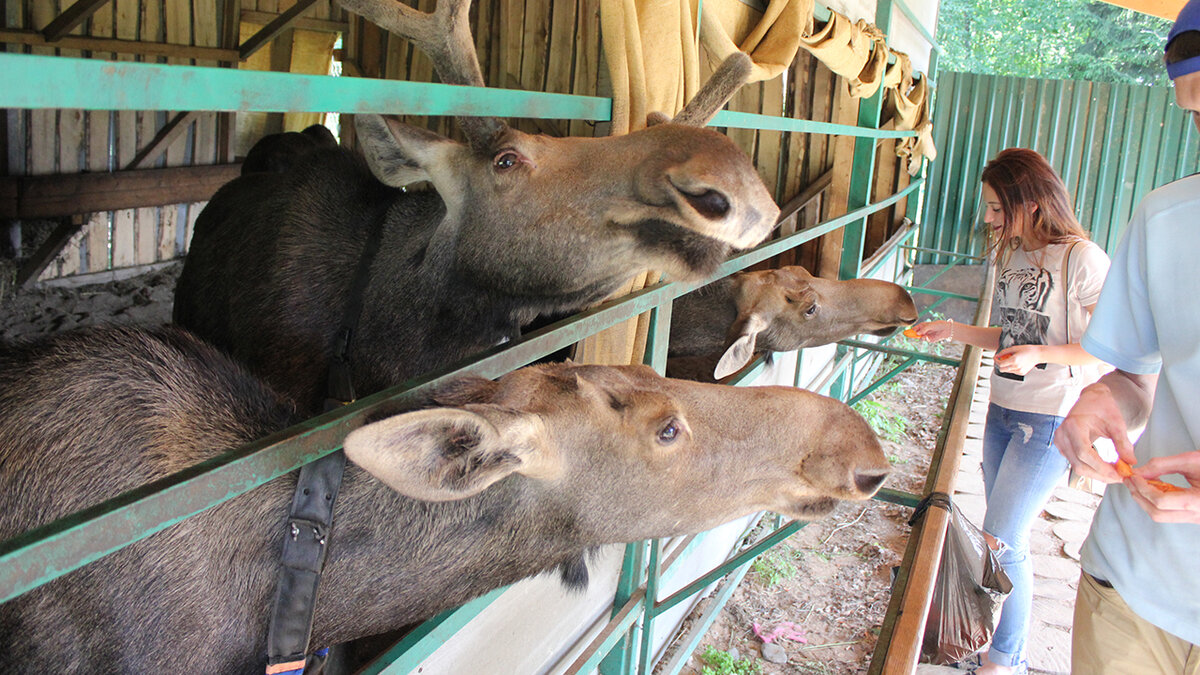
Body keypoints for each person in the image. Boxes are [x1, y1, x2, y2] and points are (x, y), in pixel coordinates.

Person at [912, 148, 1111, 675]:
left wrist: (1040, 355)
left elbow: (1112, 348)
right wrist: (952, 331)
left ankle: (1007, 658)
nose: (989, 219)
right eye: (989, 208)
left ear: (1033, 201)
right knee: (999, 536)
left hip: (1051, 417)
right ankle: (1003, 651)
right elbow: (1011, 334)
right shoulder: (1013, 254)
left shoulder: (1082, 259)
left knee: (1002, 536)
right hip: (1002, 409)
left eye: (999, 209)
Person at [1051, 3, 1200, 672]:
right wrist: (1109, 398)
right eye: (1198, 114)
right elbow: (1137, 375)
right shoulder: (1167, 219)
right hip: (1134, 588)